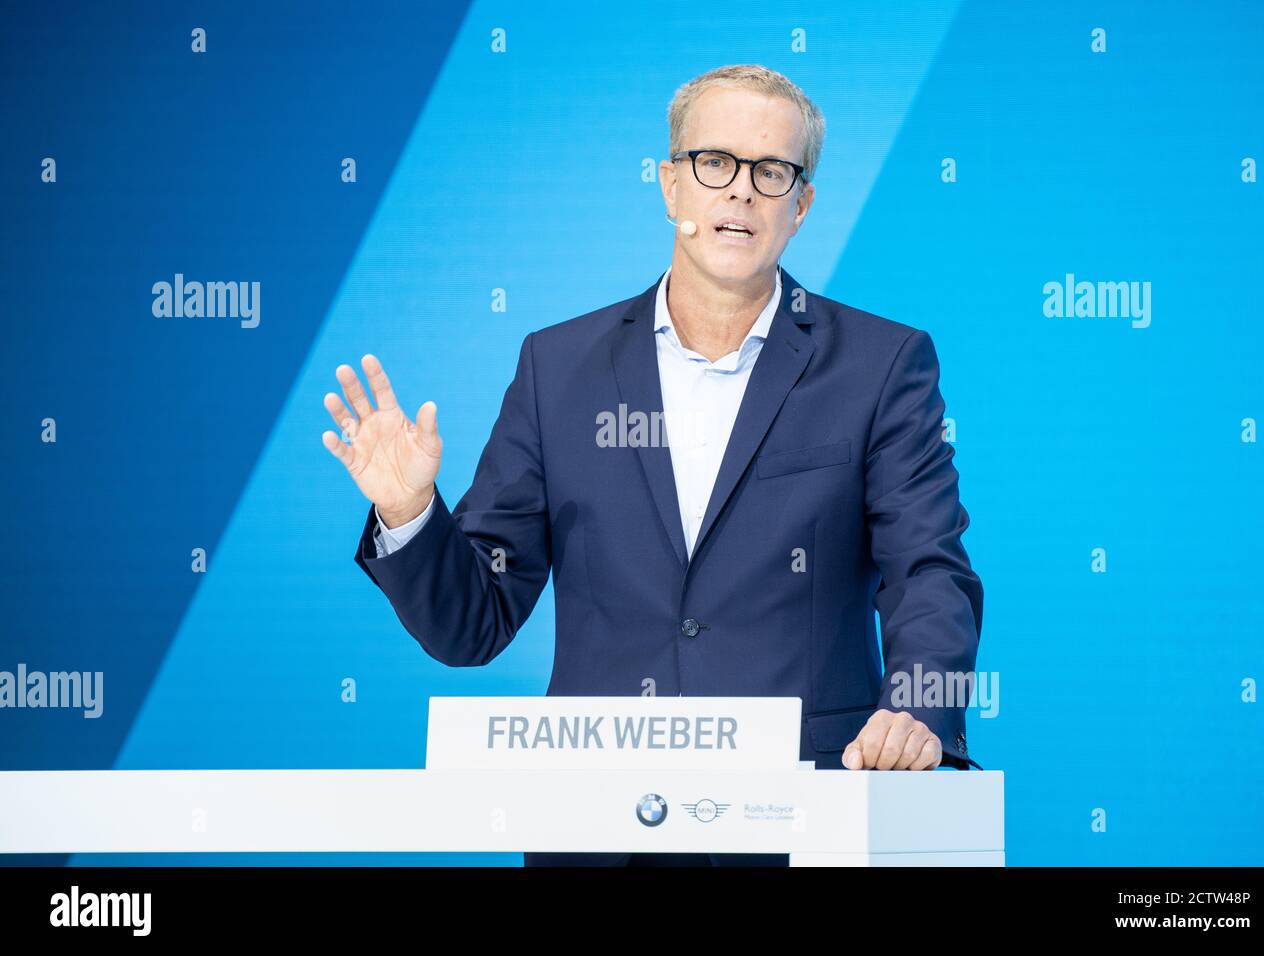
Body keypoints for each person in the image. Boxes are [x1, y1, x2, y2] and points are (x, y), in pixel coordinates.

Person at [322, 64, 983, 867]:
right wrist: (410, 516)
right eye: (715, 163)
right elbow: (473, 626)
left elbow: (928, 570)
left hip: (805, 820)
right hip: (593, 833)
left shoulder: (882, 364)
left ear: (801, 206)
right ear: (671, 186)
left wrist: (917, 710)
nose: (740, 191)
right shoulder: (557, 368)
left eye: (772, 172)